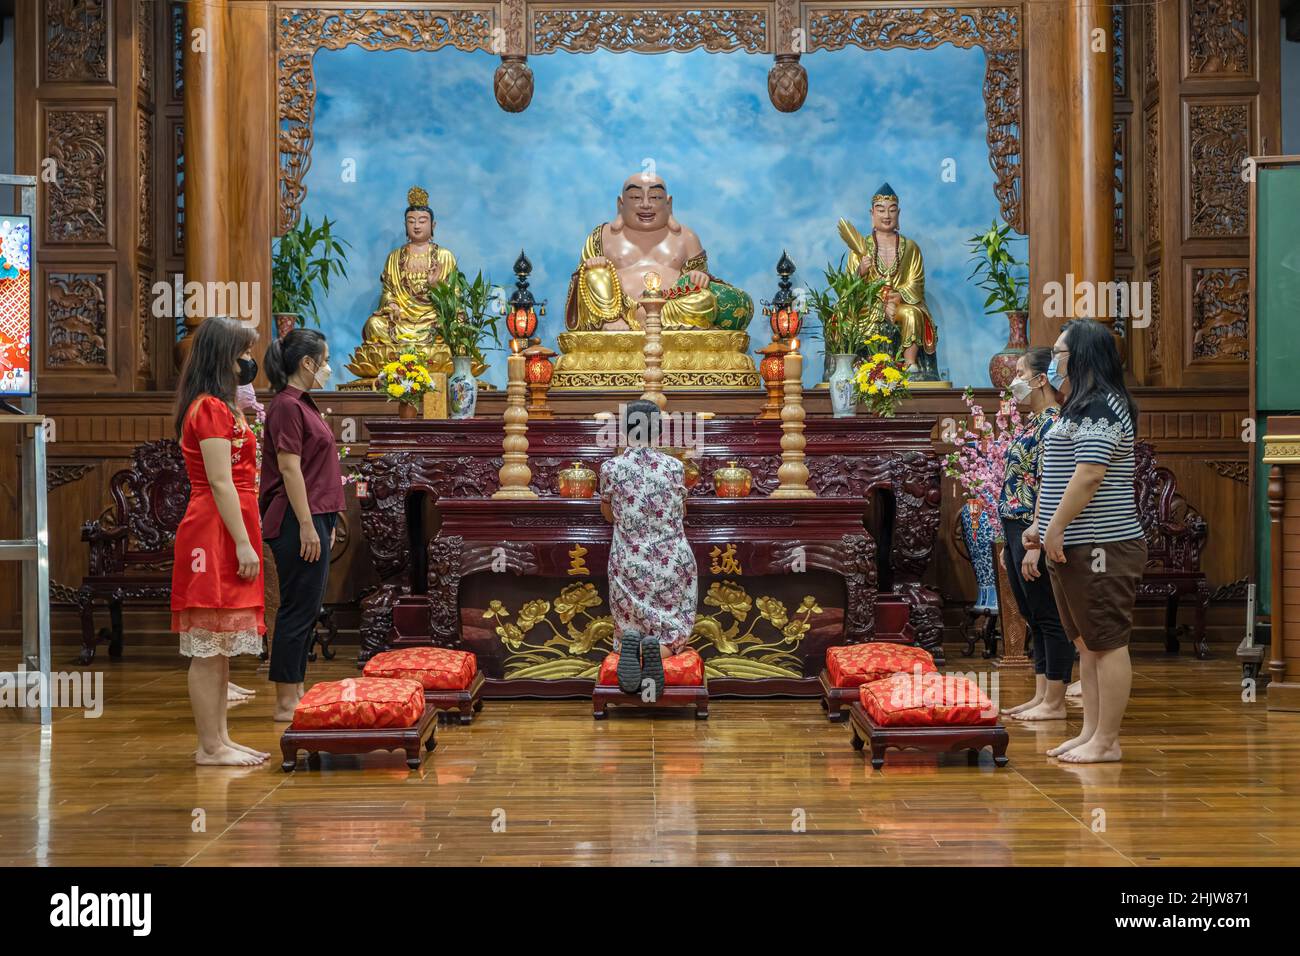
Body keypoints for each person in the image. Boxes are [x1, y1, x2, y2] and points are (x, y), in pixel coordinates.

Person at [1028, 319, 1146, 763]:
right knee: (1086, 643)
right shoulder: (1078, 405)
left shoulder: (1102, 405)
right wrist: (1041, 528)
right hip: (1072, 544)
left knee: (1107, 642)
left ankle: (1107, 740)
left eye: (1061, 351)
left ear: (1082, 355)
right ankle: (1091, 731)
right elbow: (1057, 474)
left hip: (1102, 544)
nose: (1055, 358)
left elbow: (1090, 474)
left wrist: (1054, 527)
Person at [171, 316, 268, 766]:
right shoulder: (207, 408)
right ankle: (208, 745)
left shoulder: (226, 406)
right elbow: (220, 481)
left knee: (223, 642)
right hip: (214, 529)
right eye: (243, 353)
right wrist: (244, 543)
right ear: (222, 358)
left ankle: (221, 739)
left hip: (231, 522)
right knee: (208, 641)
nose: (249, 361)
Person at [259, 329, 344, 721]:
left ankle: (296, 688)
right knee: (296, 608)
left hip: (312, 516)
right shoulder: (286, 407)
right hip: (296, 518)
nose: (327, 367)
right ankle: (284, 700)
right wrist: (308, 526)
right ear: (306, 363)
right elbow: (290, 470)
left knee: (307, 607)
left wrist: (324, 521)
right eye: (323, 360)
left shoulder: (304, 404)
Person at [599, 400, 697, 698]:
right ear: (658, 432)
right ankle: (660, 649)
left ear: (626, 429)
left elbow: (608, 514)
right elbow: (681, 512)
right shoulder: (674, 467)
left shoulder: (611, 468)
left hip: (628, 560)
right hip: (671, 561)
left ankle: (631, 643)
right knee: (674, 625)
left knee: (630, 621)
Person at [996, 347, 1071, 721]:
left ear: (1042, 379)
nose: (1016, 380)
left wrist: (1036, 541)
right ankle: (1042, 694)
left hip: (1032, 529)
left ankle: (1055, 701)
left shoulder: (1054, 424)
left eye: (1022, 372)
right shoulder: (1031, 422)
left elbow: (1050, 484)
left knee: (1048, 613)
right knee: (1032, 614)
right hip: (1014, 527)